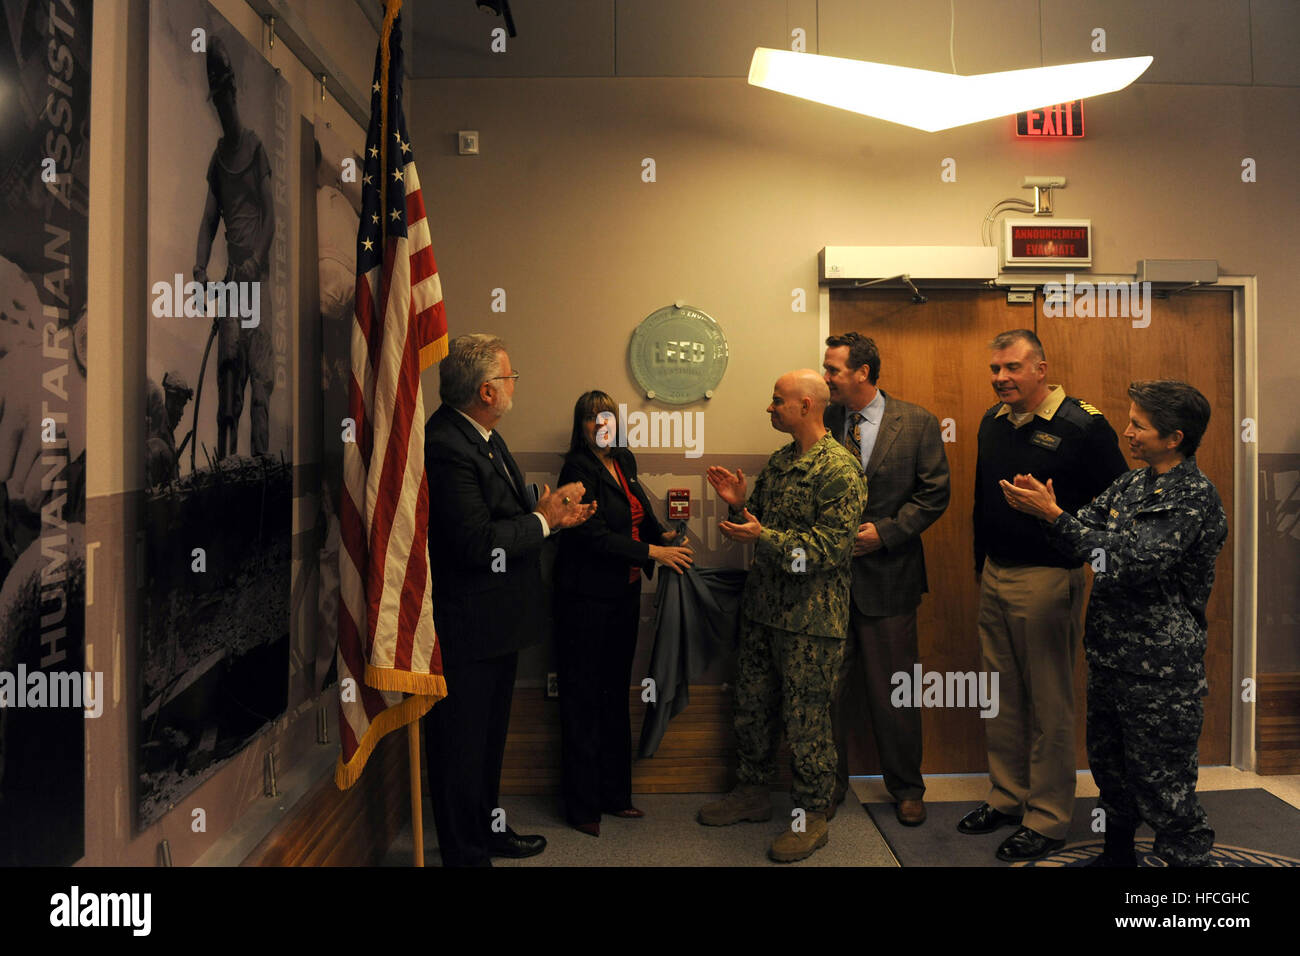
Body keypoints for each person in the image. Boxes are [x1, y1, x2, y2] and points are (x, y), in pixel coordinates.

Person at [1000, 380, 1227, 867]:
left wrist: (1057, 517)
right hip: (1110, 656)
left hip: (1161, 671)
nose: (1127, 432)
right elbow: (1080, 539)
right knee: (1113, 774)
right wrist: (1047, 512)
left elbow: (1131, 559)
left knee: (1164, 787)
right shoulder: (1131, 483)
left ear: (1174, 438)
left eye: (1139, 426)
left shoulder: (1192, 495)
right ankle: (1116, 858)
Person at [422, 334, 596, 867]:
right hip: (468, 625)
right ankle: (465, 853)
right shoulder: (446, 445)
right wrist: (545, 521)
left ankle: (488, 830)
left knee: (489, 741)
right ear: (487, 391)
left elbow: (500, 510)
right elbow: (476, 543)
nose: (515, 382)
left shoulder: (485, 437)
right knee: (461, 745)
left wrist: (541, 506)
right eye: (510, 375)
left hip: (498, 622)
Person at [964, 329, 1129, 862]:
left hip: (1048, 579)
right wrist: (979, 566)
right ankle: (1008, 798)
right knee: (1002, 696)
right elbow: (979, 499)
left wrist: (1071, 534)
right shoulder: (993, 421)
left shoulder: (1084, 426)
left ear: (1040, 368)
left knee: (1049, 703)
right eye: (994, 369)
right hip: (996, 575)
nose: (1000, 378)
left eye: (1011, 368)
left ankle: (1048, 817)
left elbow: (1119, 508)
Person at [697, 370, 866, 863]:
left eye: (777, 401)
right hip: (764, 613)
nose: (770, 409)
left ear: (808, 405)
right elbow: (767, 527)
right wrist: (741, 506)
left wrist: (762, 539)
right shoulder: (780, 462)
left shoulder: (839, 468)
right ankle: (751, 793)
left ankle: (812, 814)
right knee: (751, 709)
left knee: (807, 721)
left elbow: (829, 550)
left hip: (811, 623)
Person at [822, 332, 950, 826]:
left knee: (894, 692)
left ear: (862, 373)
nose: (826, 377)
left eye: (833, 369)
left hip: (890, 580)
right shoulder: (824, 420)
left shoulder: (915, 422)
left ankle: (906, 788)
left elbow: (935, 493)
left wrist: (887, 533)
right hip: (827, 584)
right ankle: (827, 788)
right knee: (827, 692)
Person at [553, 390, 694, 836]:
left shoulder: (625, 461)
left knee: (615, 695)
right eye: (593, 420)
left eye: (608, 419)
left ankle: (617, 796)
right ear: (580, 427)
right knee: (583, 698)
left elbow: (640, 516)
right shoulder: (576, 469)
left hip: (624, 594)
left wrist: (664, 536)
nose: (602, 427)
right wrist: (651, 551)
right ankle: (581, 806)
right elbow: (590, 537)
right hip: (584, 599)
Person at [194, 36, 275, 460]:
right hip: (232, 284)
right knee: (229, 372)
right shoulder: (218, 159)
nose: (223, 102)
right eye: (217, 95)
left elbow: (270, 217)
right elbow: (209, 221)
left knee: (259, 377)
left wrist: (256, 261)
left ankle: (260, 461)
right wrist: (198, 267)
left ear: (234, 92)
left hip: (254, 282)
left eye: (226, 92)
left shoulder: (255, 147)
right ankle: (225, 461)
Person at [145, 371, 194, 487]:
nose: (181, 412)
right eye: (179, 404)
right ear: (170, 400)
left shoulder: (168, 436)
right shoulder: (157, 410)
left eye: (183, 405)